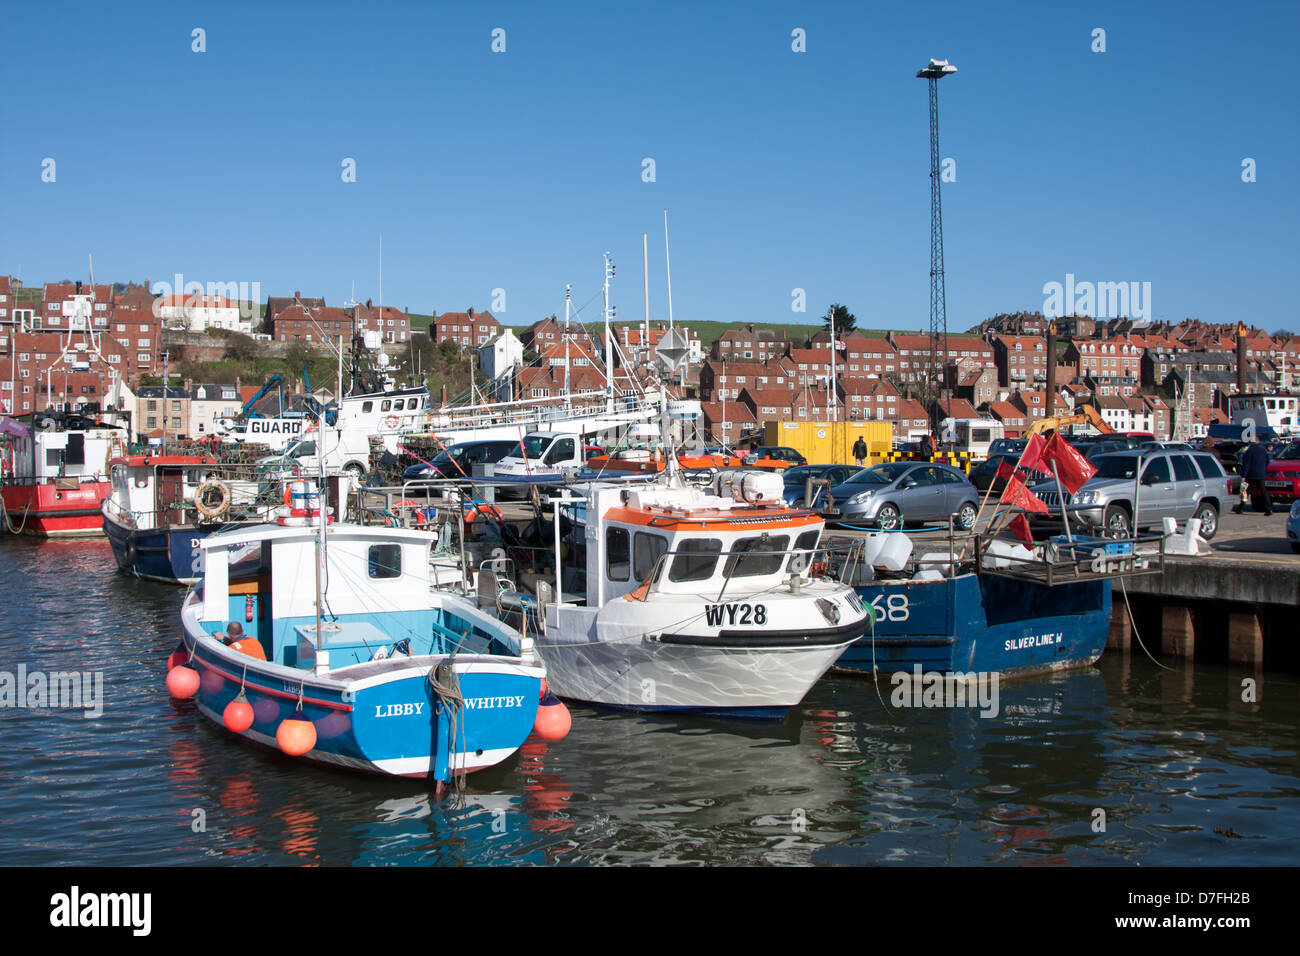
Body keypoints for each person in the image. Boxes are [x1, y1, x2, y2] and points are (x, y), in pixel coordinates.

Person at [1233, 436, 1273, 516]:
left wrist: (1244, 475)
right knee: (1264, 492)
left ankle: (1241, 507)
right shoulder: (1263, 450)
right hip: (1261, 474)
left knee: (1246, 491)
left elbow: (1246, 464)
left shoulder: (1249, 451)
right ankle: (1268, 509)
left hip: (1251, 475)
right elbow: (1267, 462)